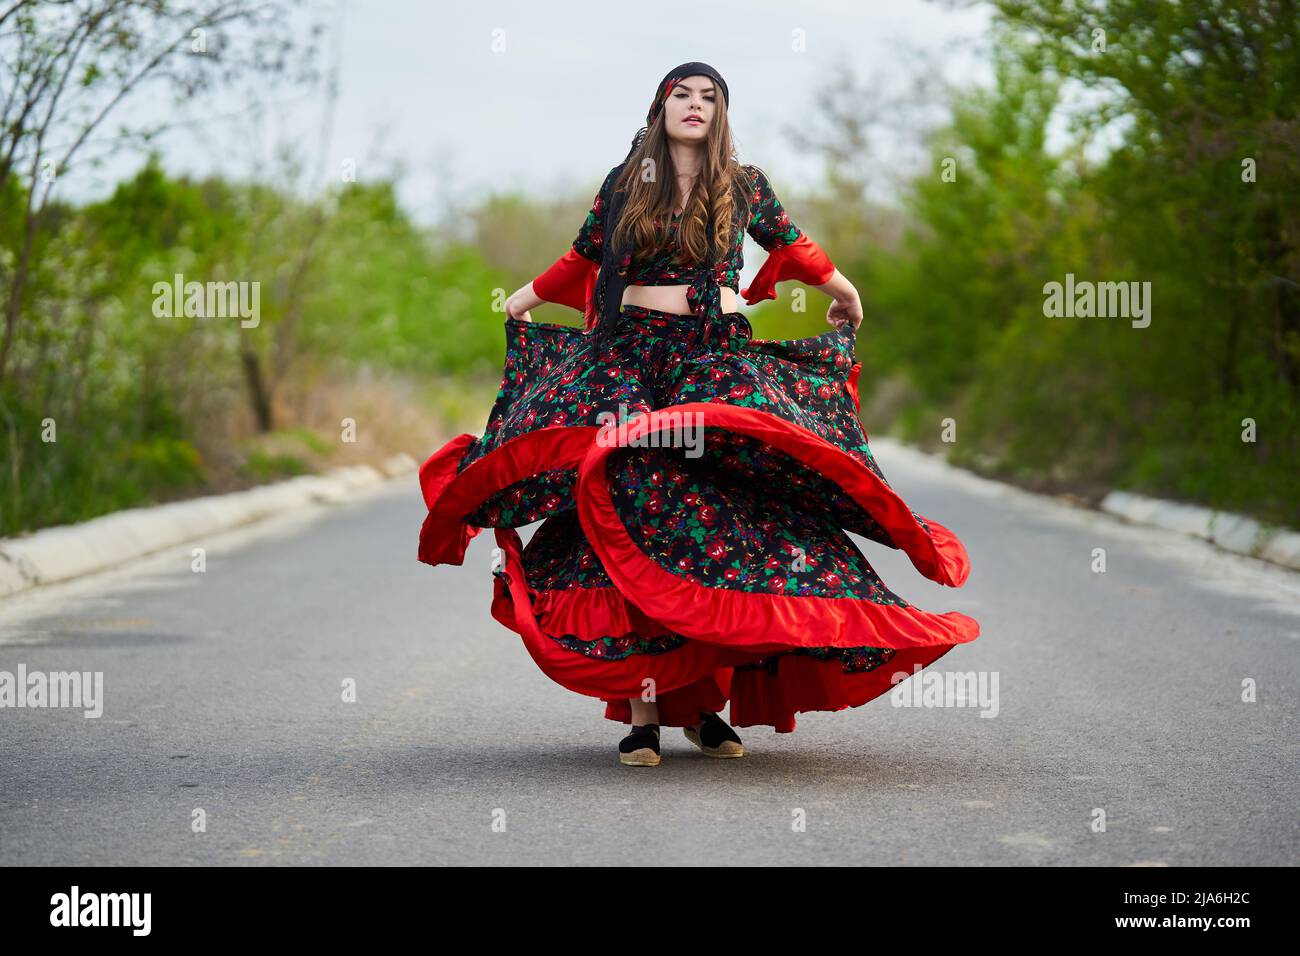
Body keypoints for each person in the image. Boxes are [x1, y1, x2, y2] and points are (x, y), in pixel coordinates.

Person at [417, 61, 979, 768]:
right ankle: (645, 715)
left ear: (720, 114)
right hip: (629, 360)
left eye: (709, 97)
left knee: (725, 515)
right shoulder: (625, 184)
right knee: (630, 506)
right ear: (660, 107)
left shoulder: (743, 185)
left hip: (710, 356)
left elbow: (793, 245)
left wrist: (845, 289)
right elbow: (582, 258)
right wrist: (524, 297)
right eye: (682, 94)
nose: (695, 105)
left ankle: (706, 706)